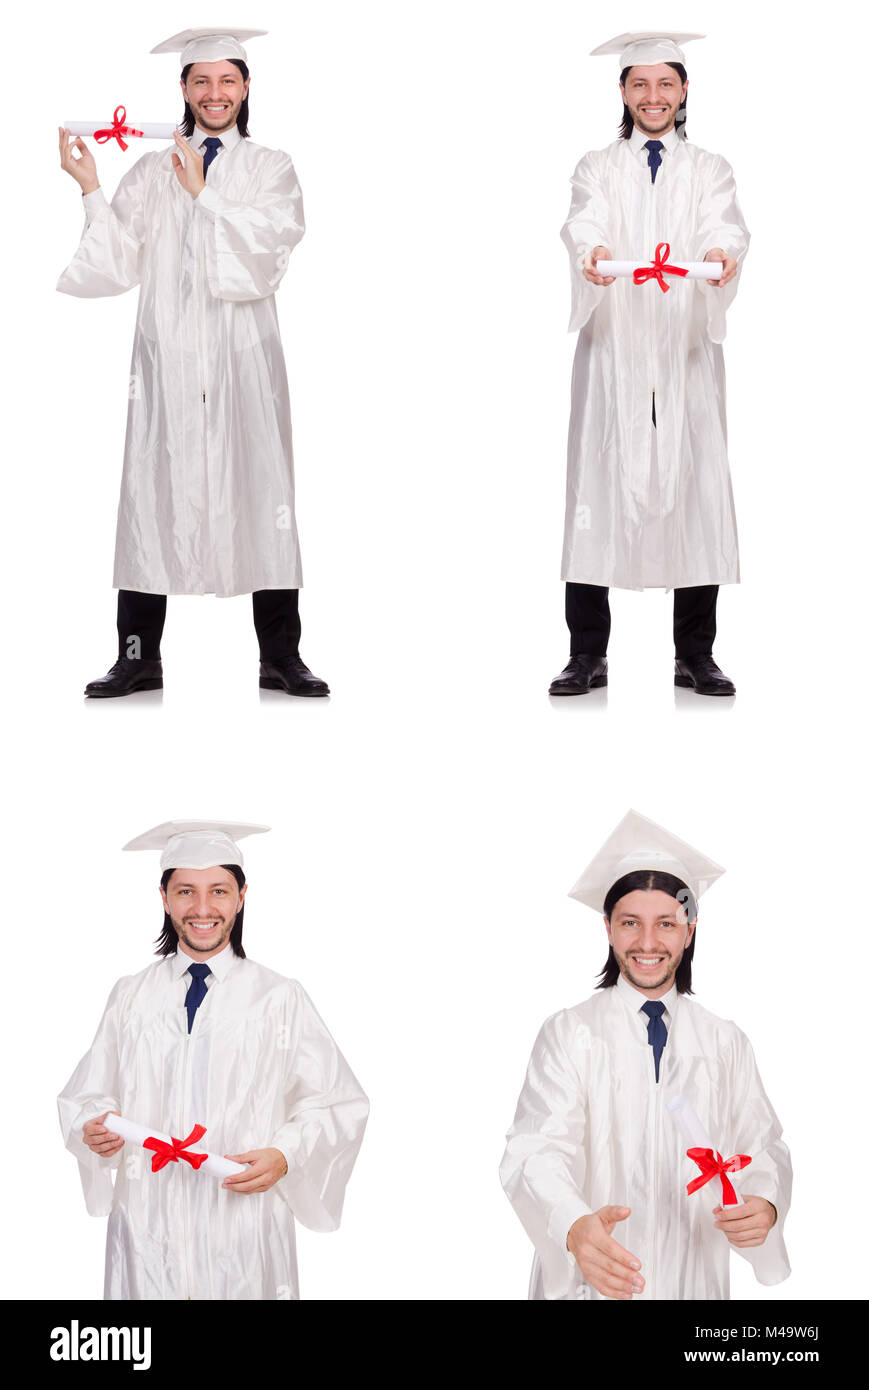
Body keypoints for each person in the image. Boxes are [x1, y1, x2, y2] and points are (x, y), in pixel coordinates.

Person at [57, 28, 329, 698]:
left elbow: (265, 257)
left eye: (227, 81)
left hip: (243, 360)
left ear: (245, 87)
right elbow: (118, 260)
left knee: (261, 490)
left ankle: (280, 656)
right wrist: (90, 186)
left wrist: (205, 193)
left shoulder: (270, 167)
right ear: (182, 89)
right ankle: (137, 655)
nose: (215, 94)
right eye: (201, 82)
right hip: (167, 358)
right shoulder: (151, 171)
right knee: (151, 493)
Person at [58, 820, 368, 1300]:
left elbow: (336, 1102)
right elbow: (86, 1094)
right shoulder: (131, 997)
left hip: (240, 1229)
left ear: (242, 896)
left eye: (218, 891)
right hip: (147, 1227)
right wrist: (93, 1129)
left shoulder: (277, 998)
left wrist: (286, 1154)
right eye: (186, 891)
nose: (203, 909)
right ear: (164, 897)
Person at [500, 810, 791, 1300]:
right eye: (630, 922)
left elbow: (764, 1148)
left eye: (667, 923)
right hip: (592, 1286)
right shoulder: (572, 1033)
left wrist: (765, 1203)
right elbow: (535, 1150)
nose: (648, 943)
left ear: (690, 930)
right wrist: (572, 1225)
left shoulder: (724, 1043)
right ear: (608, 928)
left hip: (693, 1286)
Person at [550, 32, 749, 698]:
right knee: (596, 489)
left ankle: (695, 653)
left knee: (694, 489)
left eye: (665, 84)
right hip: (617, 348)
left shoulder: (708, 168)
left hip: (683, 344)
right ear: (622, 92)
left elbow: (727, 226)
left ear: (683, 90)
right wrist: (594, 250)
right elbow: (583, 220)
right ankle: (586, 654)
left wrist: (723, 254)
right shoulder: (597, 166)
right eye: (640, 84)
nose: (653, 96)